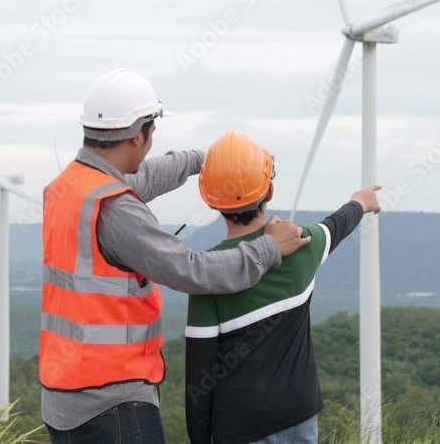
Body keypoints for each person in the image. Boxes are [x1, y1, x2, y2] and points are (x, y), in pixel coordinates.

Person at [40, 70, 310, 444]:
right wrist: (269, 248)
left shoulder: (67, 188)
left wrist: (211, 160)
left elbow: (148, 175)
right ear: (139, 134)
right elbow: (191, 271)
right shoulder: (115, 209)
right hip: (111, 403)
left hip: (64, 396)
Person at [185, 131, 381, 444]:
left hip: (238, 425)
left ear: (210, 200)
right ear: (270, 190)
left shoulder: (207, 273)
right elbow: (338, 225)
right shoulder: (303, 244)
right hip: (298, 417)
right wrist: (360, 201)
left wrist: (199, 437)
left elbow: (199, 375)